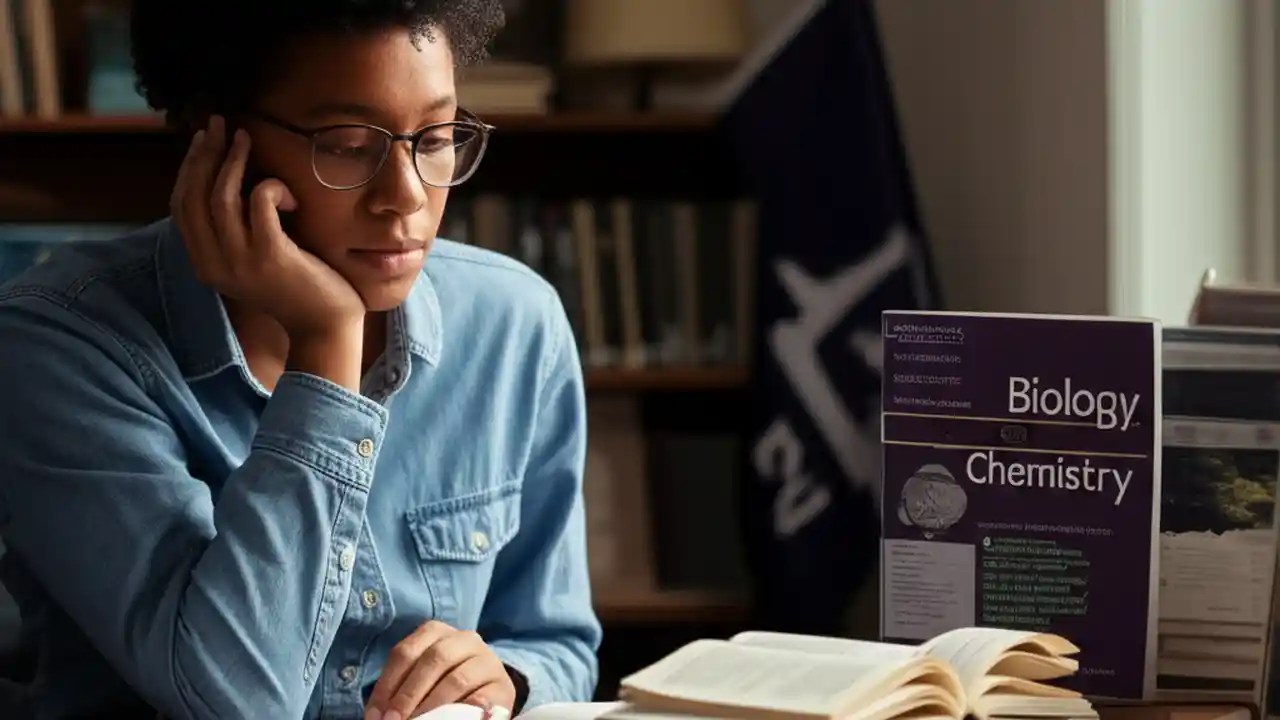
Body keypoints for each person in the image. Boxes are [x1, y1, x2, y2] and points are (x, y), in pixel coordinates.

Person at [0, 1, 601, 718]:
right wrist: (327, 346)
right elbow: (234, 701)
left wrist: (507, 678)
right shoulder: (59, 344)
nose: (406, 197)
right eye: (348, 145)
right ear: (219, 138)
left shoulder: (514, 325)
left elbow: (556, 641)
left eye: (438, 136)